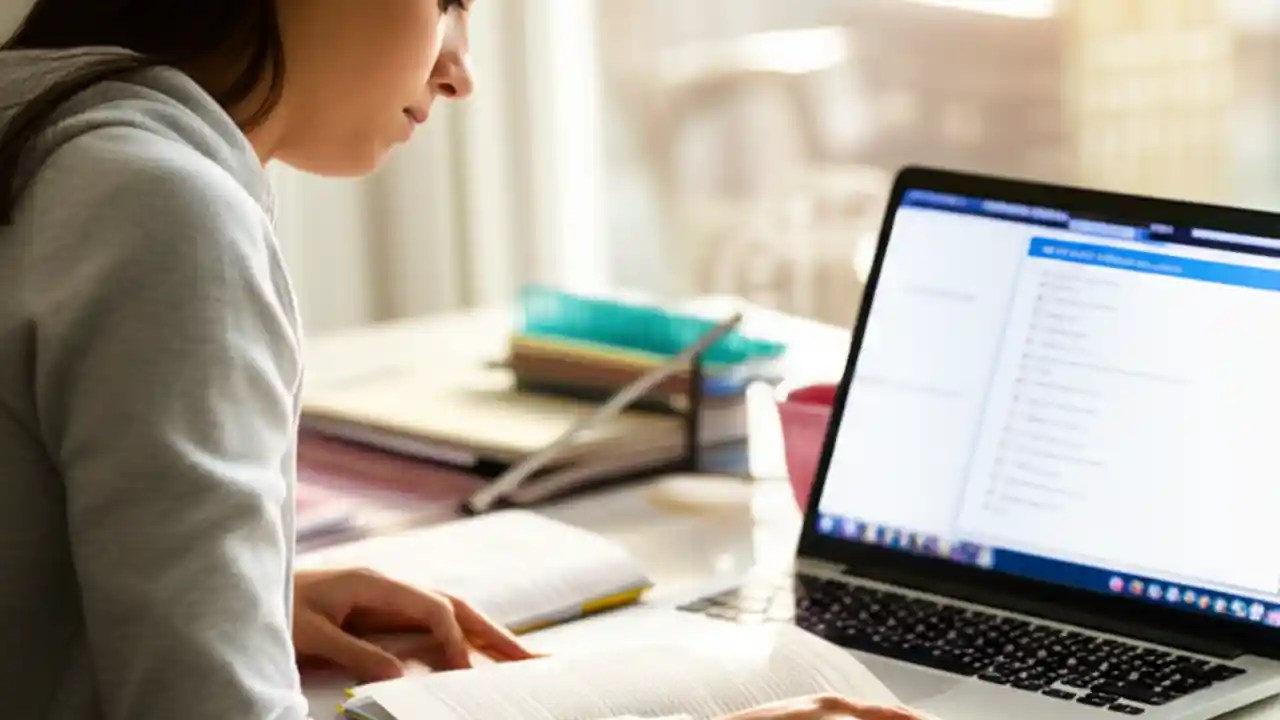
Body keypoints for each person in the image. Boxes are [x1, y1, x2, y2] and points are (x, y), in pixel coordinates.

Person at [0, 2, 929, 719]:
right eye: (447, 2)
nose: (460, 74)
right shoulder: (158, 210)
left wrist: (244, 598)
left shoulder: (39, 126)